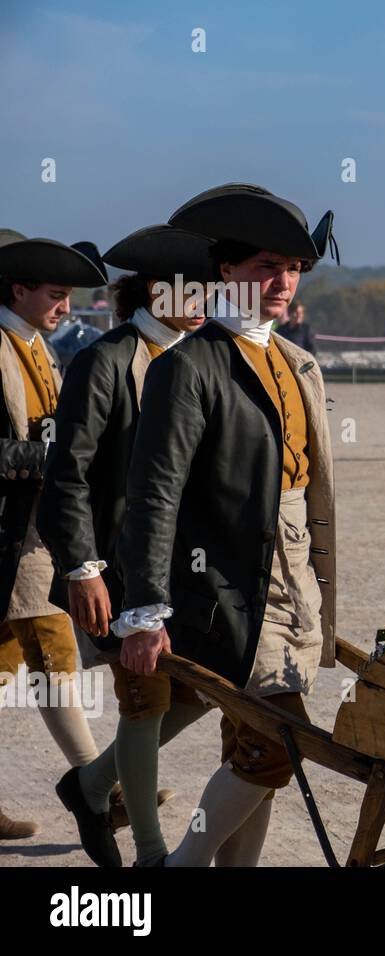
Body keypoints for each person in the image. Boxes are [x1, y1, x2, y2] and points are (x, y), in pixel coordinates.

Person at [113, 183, 338, 866]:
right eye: (268, 264)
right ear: (227, 271)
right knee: (276, 746)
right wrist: (145, 608)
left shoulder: (299, 362)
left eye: (294, 267)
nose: (283, 280)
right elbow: (154, 492)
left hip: (296, 574)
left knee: (252, 750)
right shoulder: (190, 366)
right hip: (231, 578)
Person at [38, 224, 213, 867]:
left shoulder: (201, 359)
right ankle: (151, 853)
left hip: (189, 569)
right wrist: (82, 569)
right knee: (145, 700)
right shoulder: (106, 360)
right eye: (194, 289)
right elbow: (69, 473)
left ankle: (89, 784)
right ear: (158, 289)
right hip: (117, 568)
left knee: (200, 690)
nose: (205, 300)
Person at [0, 235, 112, 847]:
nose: (66, 306)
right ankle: (102, 789)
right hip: (13, 536)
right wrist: (53, 454)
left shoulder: (35, 345)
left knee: (18, 664)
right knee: (52, 651)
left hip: (31, 529)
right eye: (55, 294)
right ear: (18, 289)